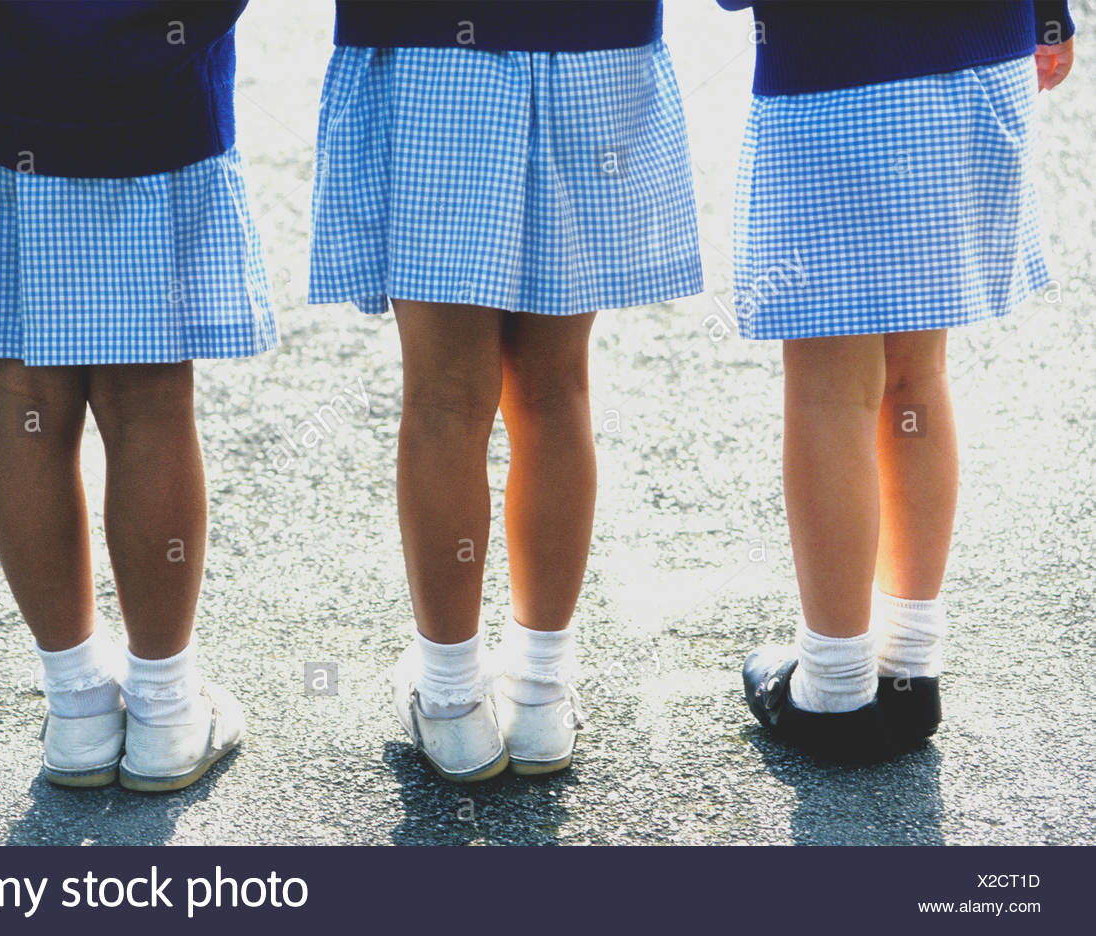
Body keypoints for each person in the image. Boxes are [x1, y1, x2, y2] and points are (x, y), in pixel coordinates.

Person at [0, 1, 274, 791]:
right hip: (148, 92)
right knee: (148, 400)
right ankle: (168, 711)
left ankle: (76, 708)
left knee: (21, 395)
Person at [309, 0, 703, 780]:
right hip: (596, 53)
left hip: (433, 54)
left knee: (443, 401)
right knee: (556, 391)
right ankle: (539, 695)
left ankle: (452, 702)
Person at [716, 0, 1076, 759]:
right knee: (916, 379)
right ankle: (911, 670)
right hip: (984, 56)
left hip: (836, 72)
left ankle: (835, 687)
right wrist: (1050, 14)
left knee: (830, 390)